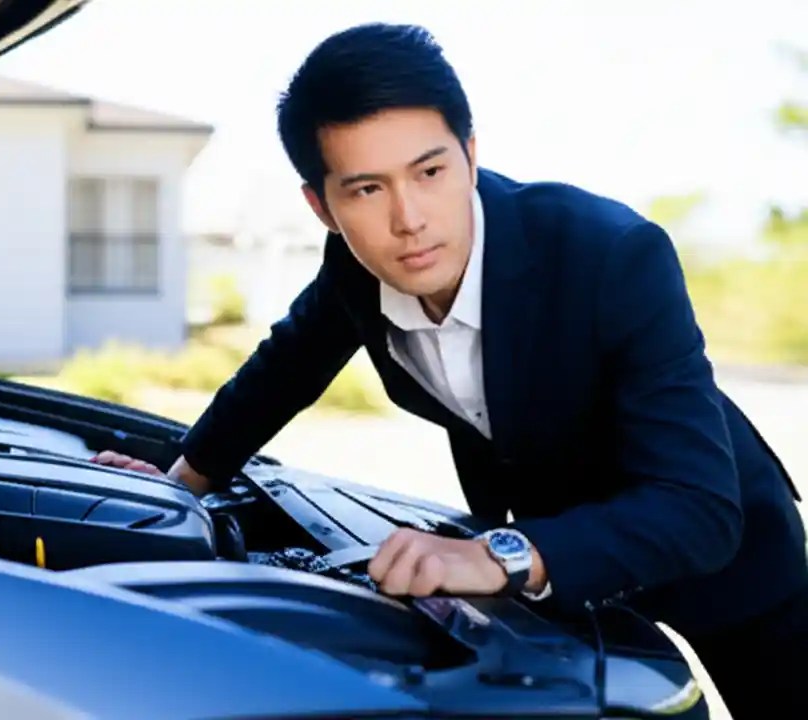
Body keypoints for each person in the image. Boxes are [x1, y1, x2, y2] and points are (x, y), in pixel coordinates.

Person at [90, 22, 807, 718]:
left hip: (722, 557)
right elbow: (285, 367)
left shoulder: (611, 253)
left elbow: (700, 509)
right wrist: (181, 485)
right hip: (559, 574)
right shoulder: (356, 264)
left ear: (469, 151)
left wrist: (495, 554)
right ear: (323, 206)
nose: (409, 219)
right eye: (367, 189)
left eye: (430, 172)